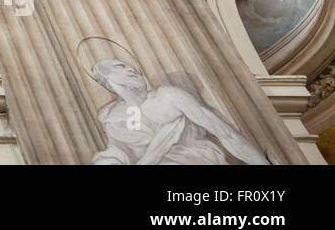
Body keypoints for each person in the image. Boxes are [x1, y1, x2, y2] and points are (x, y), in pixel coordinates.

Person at [89, 60, 270, 165]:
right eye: (120, 67)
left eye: (132, 67)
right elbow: (120, 150)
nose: (132, 69)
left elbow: (225, 133)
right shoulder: (110, 116)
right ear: (107, 80)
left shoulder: (169, 96)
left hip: (196, 159)